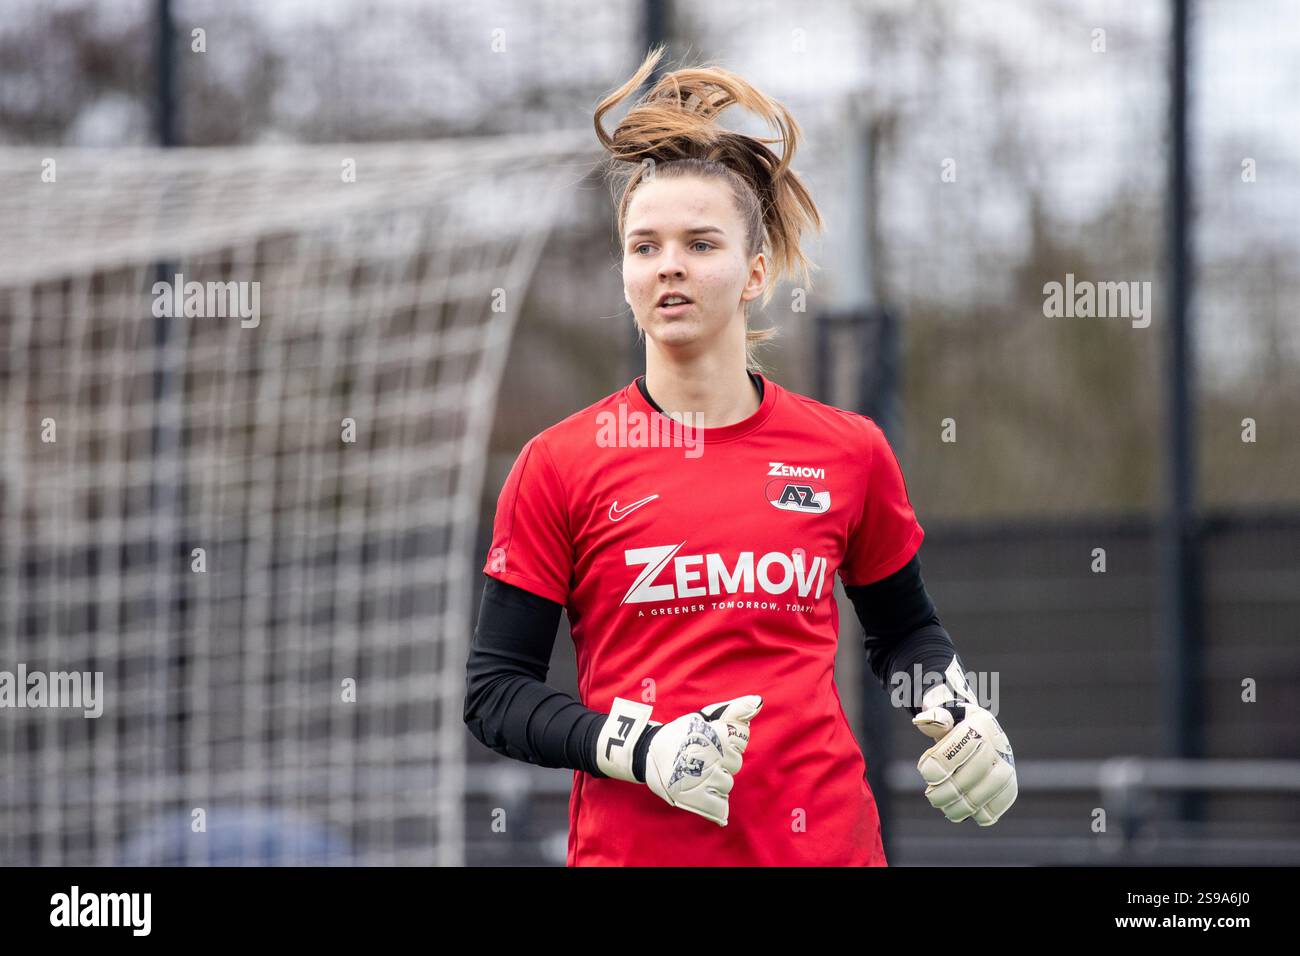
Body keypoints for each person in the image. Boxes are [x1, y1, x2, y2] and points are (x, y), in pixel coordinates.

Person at [464, 46, 1016, 867]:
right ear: (624, 275)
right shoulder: (559, 464)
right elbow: (496, 693)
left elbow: (904, 635)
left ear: (756, 271)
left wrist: (955, 705)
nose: (670, 265)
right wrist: (635, 748)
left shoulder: (847, 451)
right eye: (644, 246)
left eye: (700, 243)